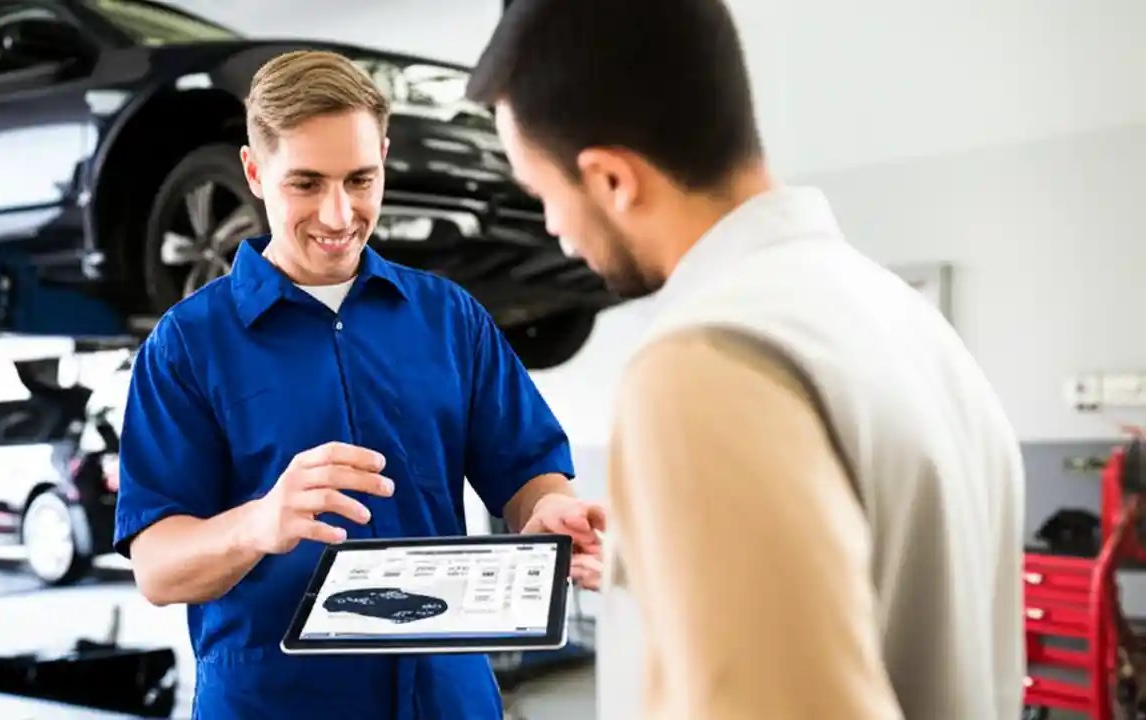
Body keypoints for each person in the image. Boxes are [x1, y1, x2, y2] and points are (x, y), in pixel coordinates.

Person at [468, 1, 1025, 719]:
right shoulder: (906, 320)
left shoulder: (706, 363)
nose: (553, 229)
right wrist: (669, 578)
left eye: (543, 194)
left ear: (612, 179)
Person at [114, 50, 605, 720]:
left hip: (447, 699)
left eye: (360, 180)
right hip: (276, 704)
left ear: (384, 159)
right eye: (306, 184)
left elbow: (527, 473)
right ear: (255, 173)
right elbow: (158, 569)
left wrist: (548, 515)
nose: (340, 214)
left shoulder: (450, 318)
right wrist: (260, 522)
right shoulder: (186, 347)